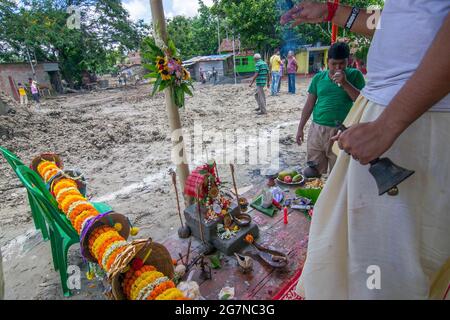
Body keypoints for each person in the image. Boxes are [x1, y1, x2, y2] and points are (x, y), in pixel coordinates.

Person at [282, 0, 450, 299]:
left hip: (417, 117)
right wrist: (333, 13)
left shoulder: (357, 82)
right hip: (392, 113)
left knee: (388, 264)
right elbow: (399, 20)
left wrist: (387, 126)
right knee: (350, 250)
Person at [296, 42, 365, 175]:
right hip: (317, 130)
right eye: (334, 64)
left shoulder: (355, 75)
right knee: (313, 171)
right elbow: (309, 105)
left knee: (338, 173)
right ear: (328, 62)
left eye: (342, 63)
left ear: (348, 61)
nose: (338, 67)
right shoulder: (318, 78)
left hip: (342, 131)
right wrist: (300, 128)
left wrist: (345, 83)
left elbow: (361, 102)